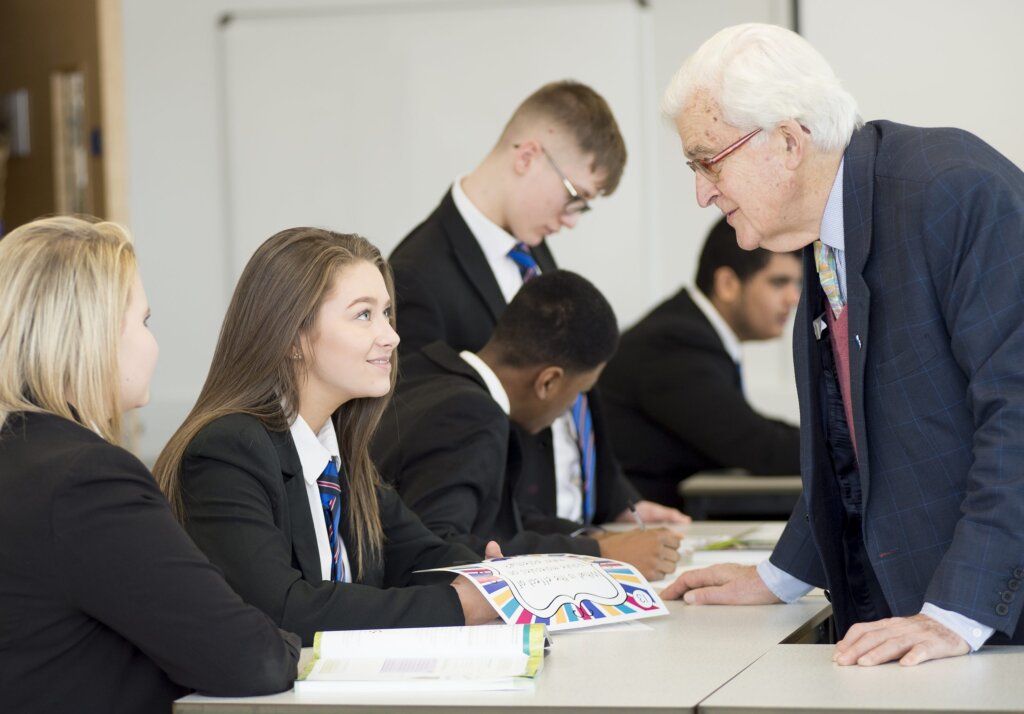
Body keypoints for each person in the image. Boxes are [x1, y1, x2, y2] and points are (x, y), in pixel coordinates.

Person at [658, 23, 1024, 666]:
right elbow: (850, 443)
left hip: (989, 627)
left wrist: (959, 611)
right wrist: (782, 576)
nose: (702, 192)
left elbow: (1017, 413)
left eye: (707, 160)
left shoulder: (953, 191)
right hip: (914, 625)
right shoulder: (827, 234)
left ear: (790, 142)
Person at [0, 217, 299, 713]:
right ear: (90, 334)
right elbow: (253, 660)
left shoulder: (25, 461)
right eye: (143, 321)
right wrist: (283, 641)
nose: (152, 343)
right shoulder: (86, 480)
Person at [154, 228, 498, 646]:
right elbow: (281, 610)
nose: (391, 336)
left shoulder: (336, 449)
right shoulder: (227, 450)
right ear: (294, 338)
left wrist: (490, 580)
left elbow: (420, 556)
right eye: (364, 315)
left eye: (387, 313)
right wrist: (457, 606)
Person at [390, 79, 687, 530]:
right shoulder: (418, 273)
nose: (570, 221)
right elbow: (426, 443)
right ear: (527, 156)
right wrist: (571, 541)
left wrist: (618, 502)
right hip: (516, 544)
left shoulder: (531, 247)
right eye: (574, 198)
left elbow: (576, 386)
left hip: (580, 531)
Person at [373, 271, 683, 580]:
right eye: (578, 393)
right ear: (548, 382)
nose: (570, 407)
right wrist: (600, 556)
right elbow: (436, 550)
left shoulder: (425, 372)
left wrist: (595, 539)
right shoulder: (472, 415)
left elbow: (499, 521)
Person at [599, 216, 802, 509]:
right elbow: (759, 447)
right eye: (778, 282)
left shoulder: (694, 332)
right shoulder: (674, 342)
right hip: (636, 526)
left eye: (796, 283)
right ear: (728, 284)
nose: (793, 298)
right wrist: (854, 447)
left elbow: (751, 429)